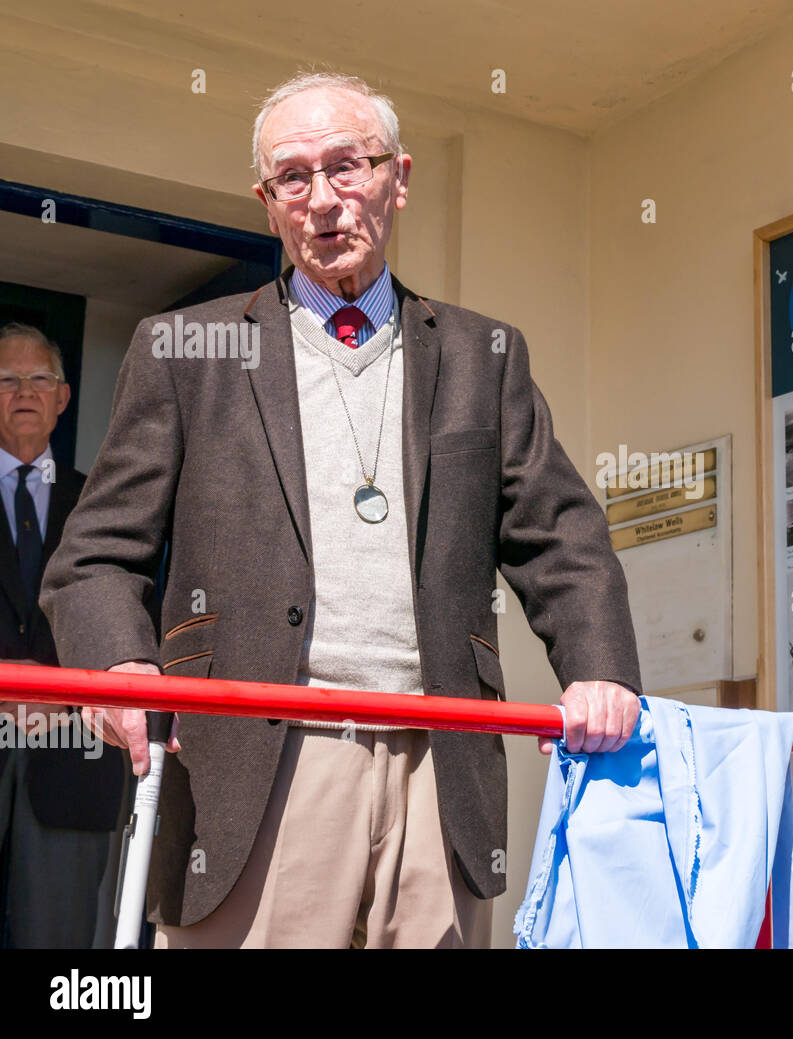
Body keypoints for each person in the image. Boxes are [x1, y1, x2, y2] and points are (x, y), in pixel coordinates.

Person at [41, 72, 642, 949]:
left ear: (397, 178)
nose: (323, 199)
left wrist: (601, 669)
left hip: (443, 763)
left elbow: (563, 538)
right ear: (266, 202)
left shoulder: (484, 356)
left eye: (346, 167)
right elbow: (94, 553)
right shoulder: (184, 351)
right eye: (293, 177)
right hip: (260, 765)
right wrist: (120, 665)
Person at [0, 324, 125, 947]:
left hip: (72, 757)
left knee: (56, 943)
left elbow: (132, 615)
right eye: (6, 380)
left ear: (64, 396)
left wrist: (70, 695)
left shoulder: (102, 505)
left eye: (38, 379)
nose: (23, 391)